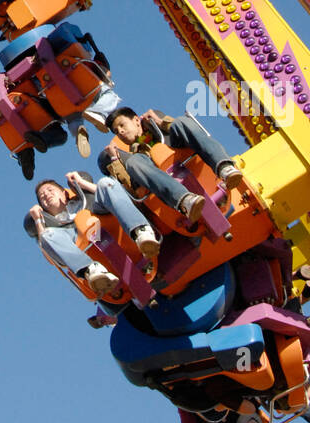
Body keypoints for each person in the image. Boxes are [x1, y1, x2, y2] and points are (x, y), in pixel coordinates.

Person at [100, 106, 243, 227]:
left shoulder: (158, 127)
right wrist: (115, 159)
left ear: (136, 120)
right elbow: (133, 189)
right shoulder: (133, 157)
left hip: (186, 160)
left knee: (181, 122)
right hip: (167, 189)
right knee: (134, 162)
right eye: (117, 132)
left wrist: (161, 122)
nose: (121, 132)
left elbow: (186, 129)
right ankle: (184, 201)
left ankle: (224, 168)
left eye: (122, 125)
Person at [26, 170, 161, 296]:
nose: (47, 195)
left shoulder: (84, 200)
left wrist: (81, 183)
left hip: (112, 230)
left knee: (105, 183)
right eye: (42, 197)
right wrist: (38, 220)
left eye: (50, 190)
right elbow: (51, 256)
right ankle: (91, 270)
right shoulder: (56, 232)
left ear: (64, 193)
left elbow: (109, 191)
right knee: (46, 235)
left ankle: (141, 232)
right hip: (92, 257)